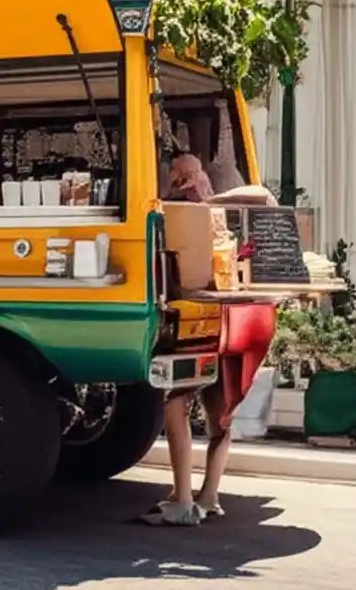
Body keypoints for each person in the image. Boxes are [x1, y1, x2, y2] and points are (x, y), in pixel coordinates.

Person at [145, 153, 276, 527]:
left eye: (189, 173)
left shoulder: (211, 212)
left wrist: (208, 199)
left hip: (214, 320)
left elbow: (259, 194)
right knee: (217, 413)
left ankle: (188, 499)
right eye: (178, 174)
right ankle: (205, 496)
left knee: (183, 405)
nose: (184, 180)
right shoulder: (187, 212)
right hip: (235, 319)